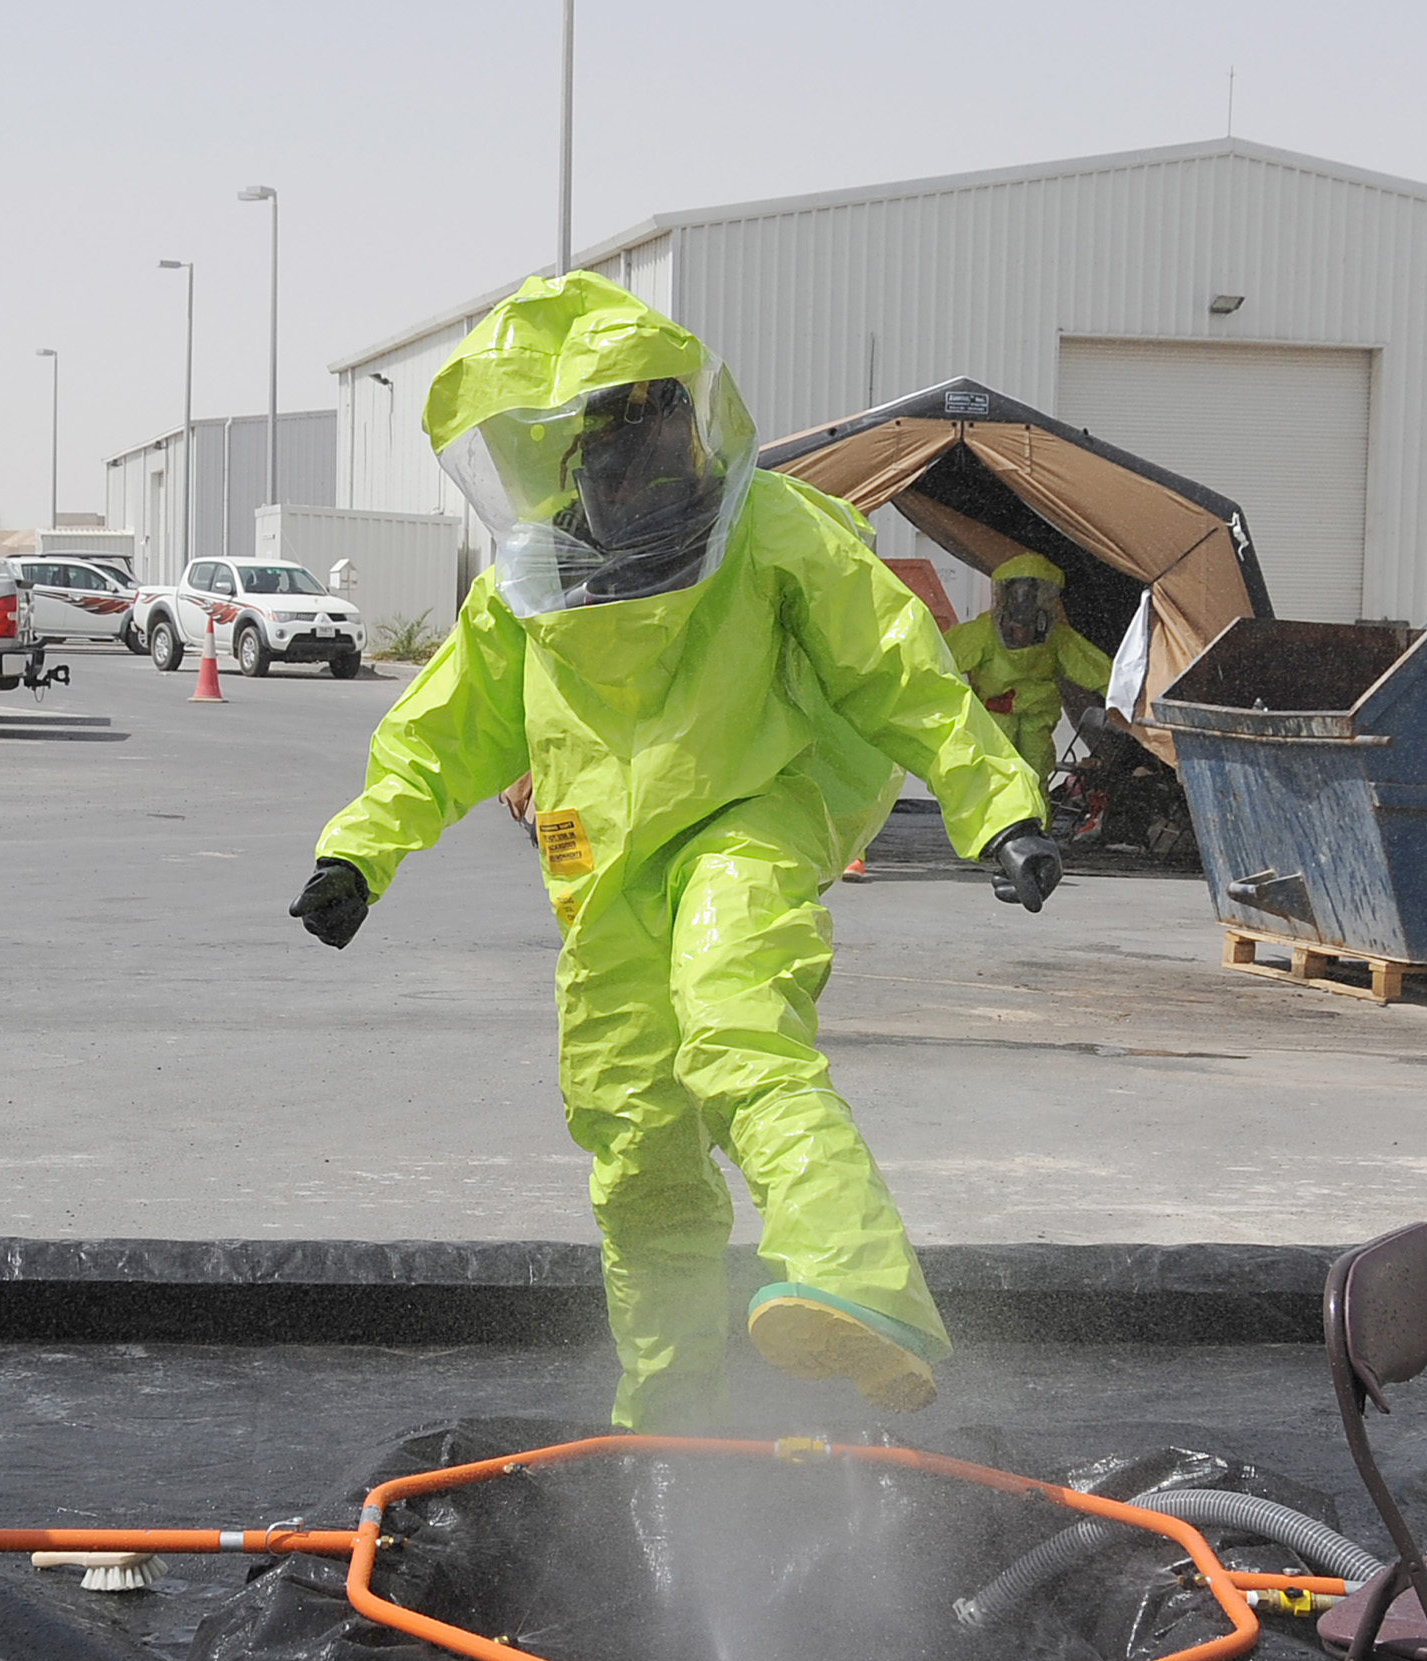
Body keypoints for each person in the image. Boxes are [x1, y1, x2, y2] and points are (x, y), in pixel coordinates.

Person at [288, 273, 1061, 1431]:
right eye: (604, 432)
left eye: (644, 422)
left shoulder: (772, 531)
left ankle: (857, 1283)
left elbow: (893, 665)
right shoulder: (536, 584)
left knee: (735, 1014)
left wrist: (997, 804)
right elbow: (444, 728)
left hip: (750, 814)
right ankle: (668, 1424)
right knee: (636, 1148)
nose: (629, 459)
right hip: (601, 878)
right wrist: (361, 851)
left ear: (683, 419)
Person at [944, 549, 1116, 778]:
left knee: (1032, 776)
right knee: (996, 778)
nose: (1023, 603)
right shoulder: (984, 633)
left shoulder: (1055, 637)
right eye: (1018, 593)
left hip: (1036, 720)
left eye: (1029, 593)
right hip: (996, 719)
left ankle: (1032, 815)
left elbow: (1099, 671)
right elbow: (936, 662)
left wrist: (1128, 698)